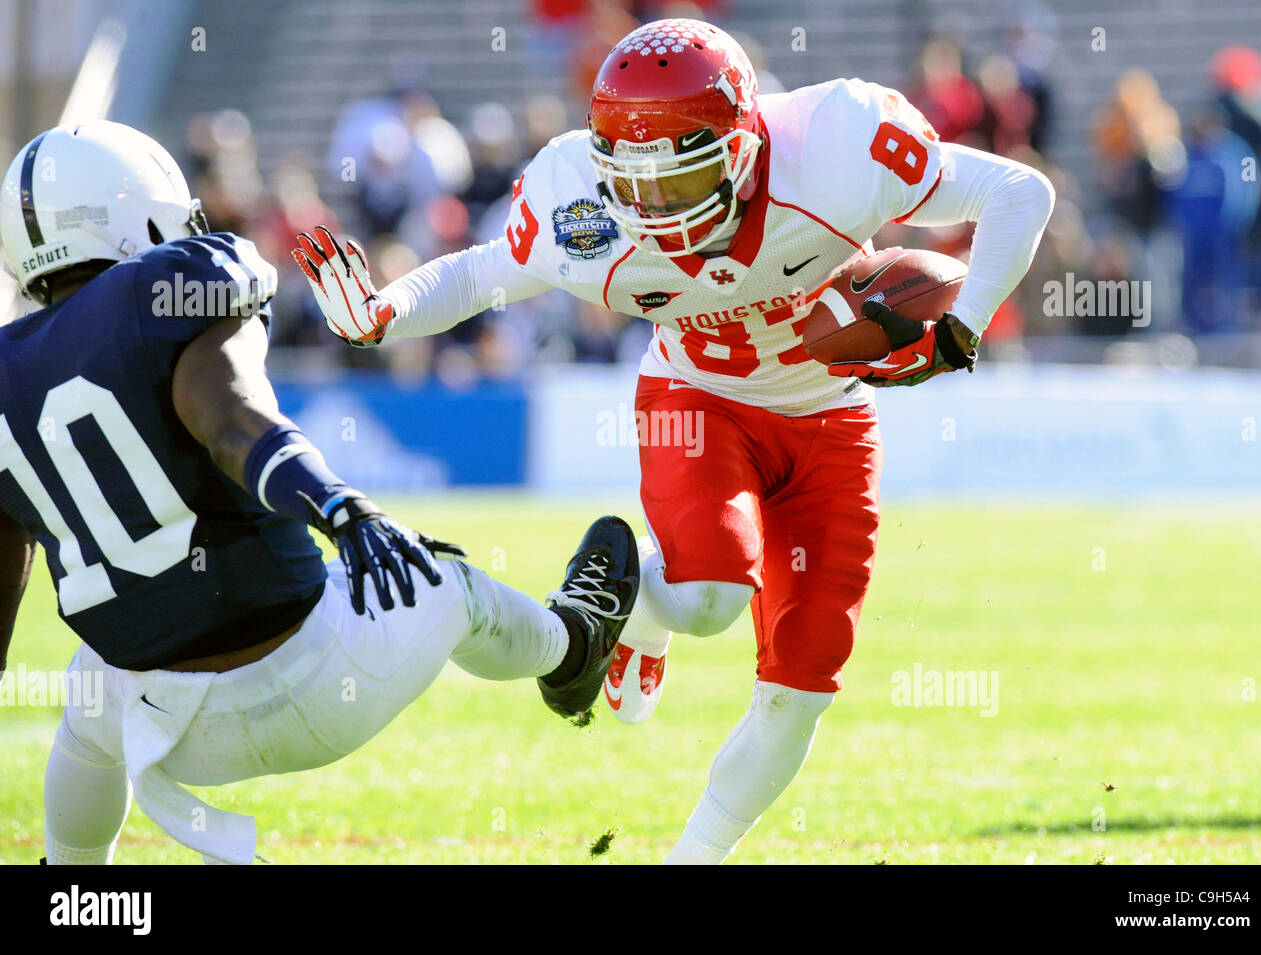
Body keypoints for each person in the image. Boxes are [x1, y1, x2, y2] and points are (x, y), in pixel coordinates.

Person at [300, 18, 1054, 864]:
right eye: (636, 183)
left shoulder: (838, 144)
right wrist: (383, 315)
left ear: (742, 146)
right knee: (710, 599)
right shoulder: (577, 199)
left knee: (799, 692)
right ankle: (642, 612)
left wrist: (962, 327)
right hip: (696, 397)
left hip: (833, 421)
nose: (655, 206)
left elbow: (1021, 192)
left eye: (682, 176)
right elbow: (483, 272)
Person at [0, 121, 638, 865]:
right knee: (454, 586)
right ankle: (572, 650)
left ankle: (71, 887)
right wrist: (341, 505)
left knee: (88, 697)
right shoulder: (169, 288)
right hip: (308, 681)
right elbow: (235, 424)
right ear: (137, 213)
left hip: (158, 725)